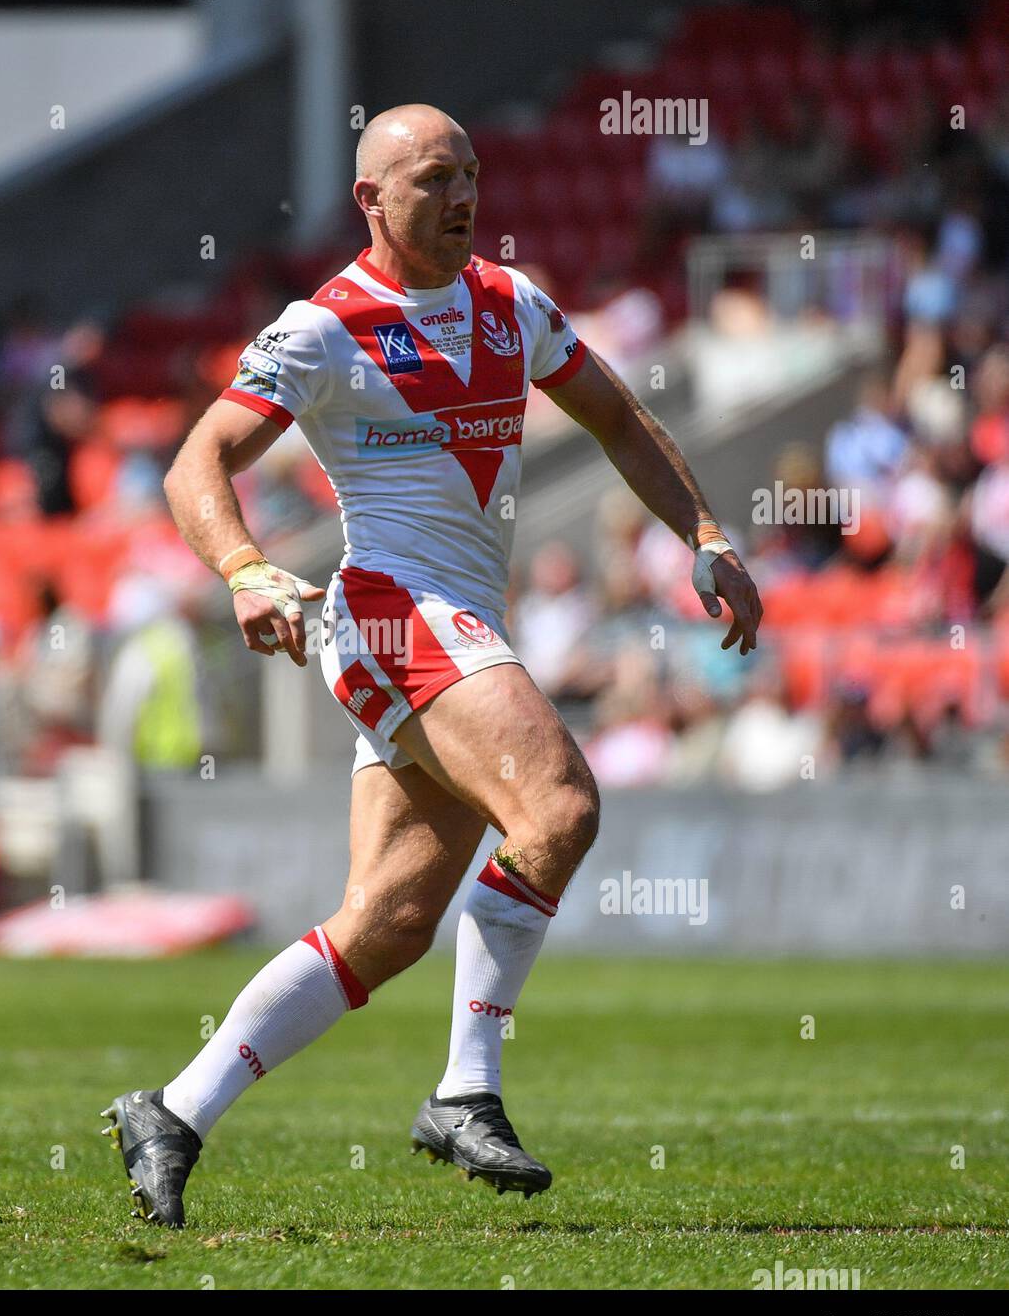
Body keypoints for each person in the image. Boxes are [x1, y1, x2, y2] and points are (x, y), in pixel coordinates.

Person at [101, 104, 762, 1227]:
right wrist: (247, 567)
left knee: (391, 922)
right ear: (371, 199)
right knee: (556, 804)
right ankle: (466, 1090)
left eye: (470, 176)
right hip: (386, 616)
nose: (460, 199)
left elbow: (616, 417)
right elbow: (196, 462)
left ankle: (173, 1109)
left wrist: (704, 534)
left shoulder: (513, 304)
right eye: (431, 180)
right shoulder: (324, 328)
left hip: (453, 629)